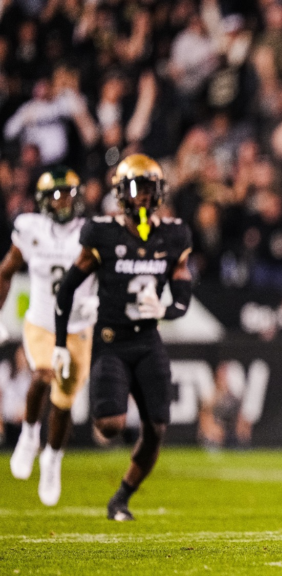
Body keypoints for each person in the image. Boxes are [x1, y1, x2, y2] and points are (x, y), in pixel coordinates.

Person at [52, 154, 193, 521]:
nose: (143, 196)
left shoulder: (173, 234)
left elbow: (182, 298)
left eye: (149, 188)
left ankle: (121, 498)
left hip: (147, 341)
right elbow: (66, 288)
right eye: (136, 188)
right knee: (110, 424)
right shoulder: (102, 233)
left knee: (157, 428)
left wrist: (164, 310)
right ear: (120, 193)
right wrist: (60, 342)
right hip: (111, 340)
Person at [4, 167, 98, 506]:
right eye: (56, 195)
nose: (63, 201)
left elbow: (112, 276)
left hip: (77, 329)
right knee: (42, 374)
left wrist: (99, 302)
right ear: (44, 201)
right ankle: (29, 435)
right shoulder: (31, 230)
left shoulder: (91, 232)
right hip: (42, 323)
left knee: (63, 404)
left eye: (69, 194)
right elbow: (6, 271)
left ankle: (52, 460)